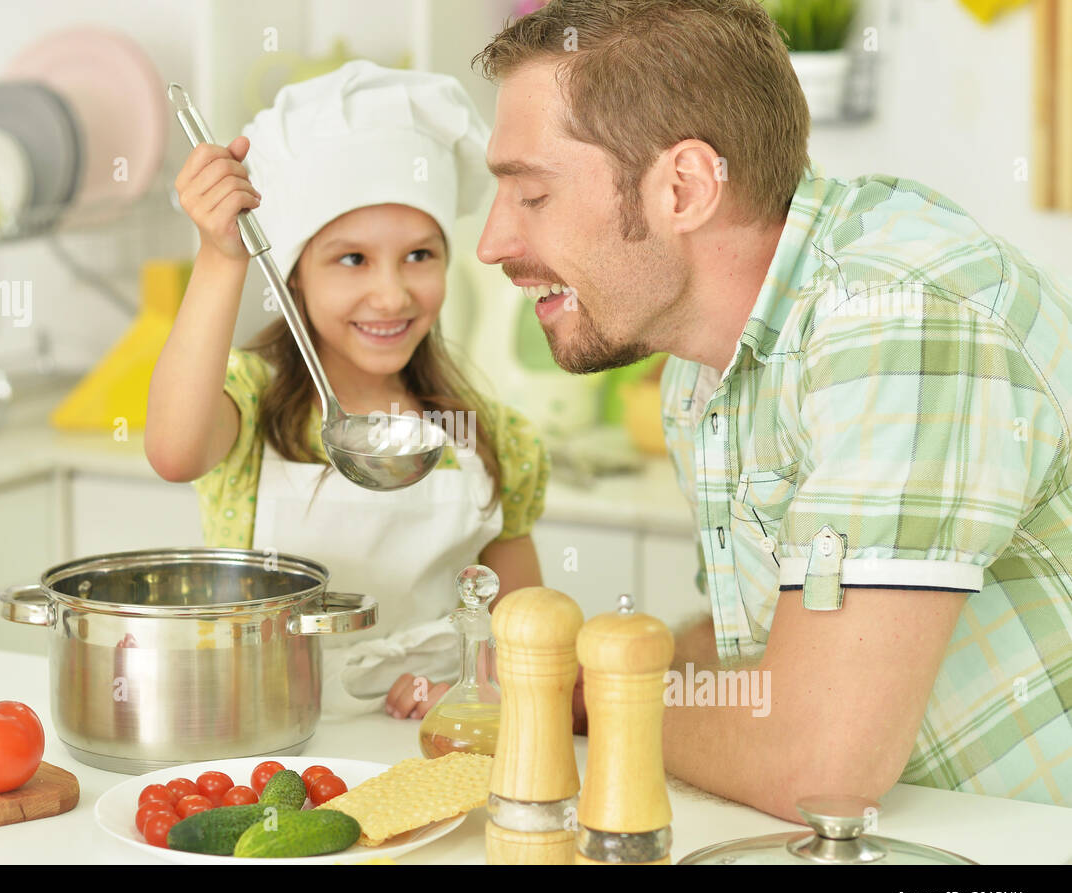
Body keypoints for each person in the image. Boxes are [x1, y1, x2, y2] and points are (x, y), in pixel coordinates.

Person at [472, 0, 1072, 820]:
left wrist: (582, 696)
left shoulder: (896, 316)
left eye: (531, 195)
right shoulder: (705, 363)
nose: (493, 241)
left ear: (682, 187)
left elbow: (816, 763)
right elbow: (765, 646)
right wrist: (569, 663)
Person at [146, 60, 548, 718]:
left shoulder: (488, 434)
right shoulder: (251, 404)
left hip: (431, 757)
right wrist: (222, 257)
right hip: (270, 753)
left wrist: (483, 691)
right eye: (351, 258)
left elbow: (526, 634)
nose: (391, 293)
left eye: (420, 254)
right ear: (295, 274)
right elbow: (173, 450)